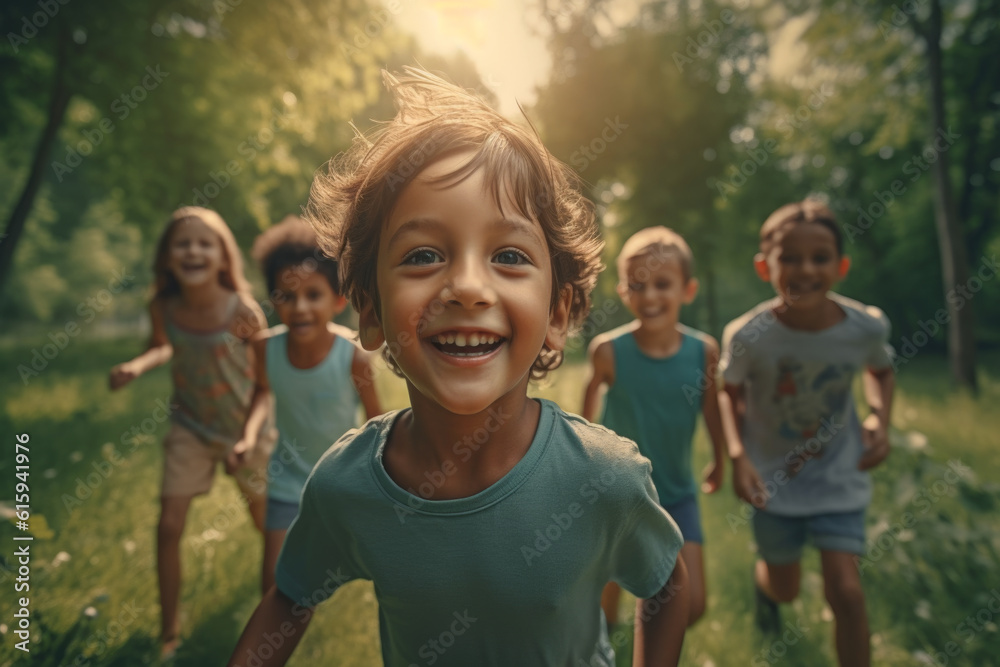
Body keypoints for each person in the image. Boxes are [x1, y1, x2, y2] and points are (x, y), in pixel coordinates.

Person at [227, 67, 689, 667]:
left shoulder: (606, 479)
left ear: (558, 310)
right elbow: (291, 596)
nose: (468, 287)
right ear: (369, 310)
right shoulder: (347, 485)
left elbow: (667, 584)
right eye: (423, 255)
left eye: (508, 255)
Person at [718, 199, 895, 667]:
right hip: (773, 478)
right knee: (785, 586)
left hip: (839, 474)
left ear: (840, 266)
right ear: (764, 266)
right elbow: (728, 393)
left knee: (848, 591)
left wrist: (880, 418)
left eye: (819, 258)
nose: (805, 270)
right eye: (790, 258)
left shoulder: (864, 327)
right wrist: (738, 456)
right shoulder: (747, 335)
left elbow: (882, 371)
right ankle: (766, 593)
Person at [109, 206, 277, 659]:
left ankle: (280, 609)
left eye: (205, 243)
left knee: (268, 524)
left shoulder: (242, 311)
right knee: (168, 525)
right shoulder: (162, 306)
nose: (193, 250)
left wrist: (246, 437)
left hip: (245, 428)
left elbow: (265, 386)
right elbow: (161, 346)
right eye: (182, 243)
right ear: (166, 258)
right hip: (190, 428)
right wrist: (135, 366)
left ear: (224, 258)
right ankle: (170, 633)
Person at [583, 227, 727, 629]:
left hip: (678, 491)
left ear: (688, 289)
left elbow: (713, 410)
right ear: (624, 290)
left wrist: (720, 458)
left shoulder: (704, 352)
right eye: (637, 285)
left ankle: (647, 630)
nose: (649, 297)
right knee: (601, 609)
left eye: (662, 284)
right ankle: (607, 644)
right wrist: (584, 465)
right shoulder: (608, 352)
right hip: (619, 490)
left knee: (692, 604)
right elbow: (586, 412)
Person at [240, 215, 382, 594]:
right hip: (286, 480)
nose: (299, 307)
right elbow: (260, 397)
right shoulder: (264, 349)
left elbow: (377, 423)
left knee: (360, 568)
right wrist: (248, 437)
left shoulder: (352, 356)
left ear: (338, 300)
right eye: (287, 296)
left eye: (313, 295)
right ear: (274, 300)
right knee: (273, 583)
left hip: (339, 481)